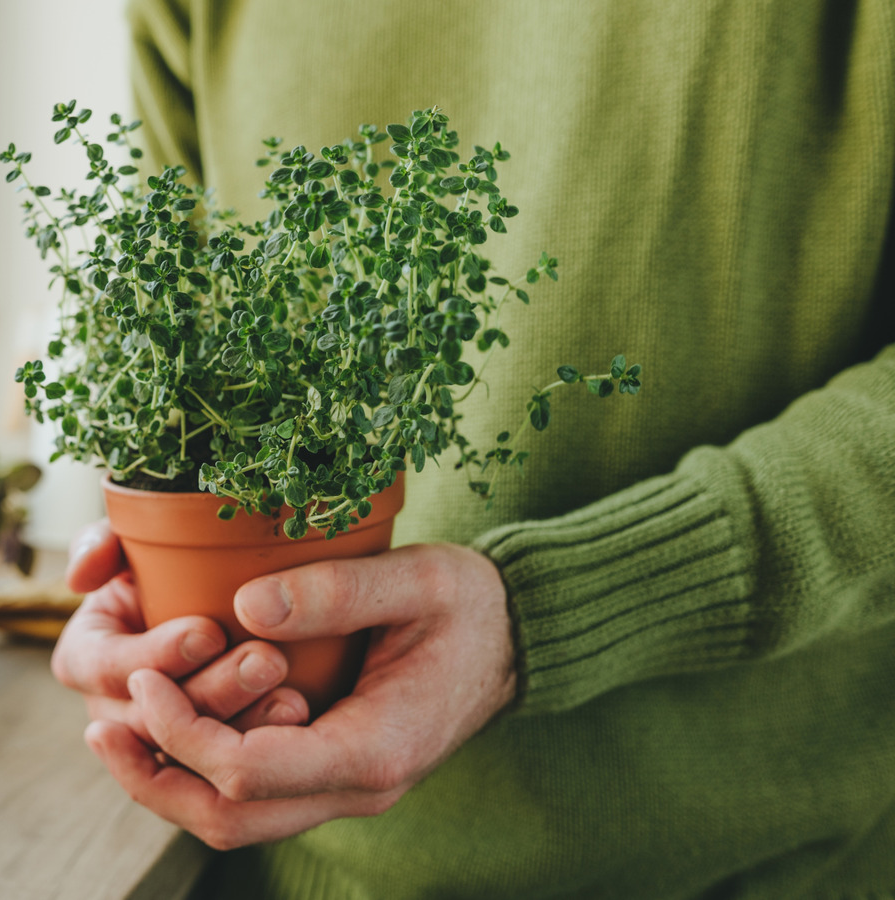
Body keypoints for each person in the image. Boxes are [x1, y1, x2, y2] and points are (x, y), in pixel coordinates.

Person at [49, 1, 895, 897]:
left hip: (761, 862)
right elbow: (160, 346)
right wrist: (144, 626)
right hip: (278, 869)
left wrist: (543, 611)